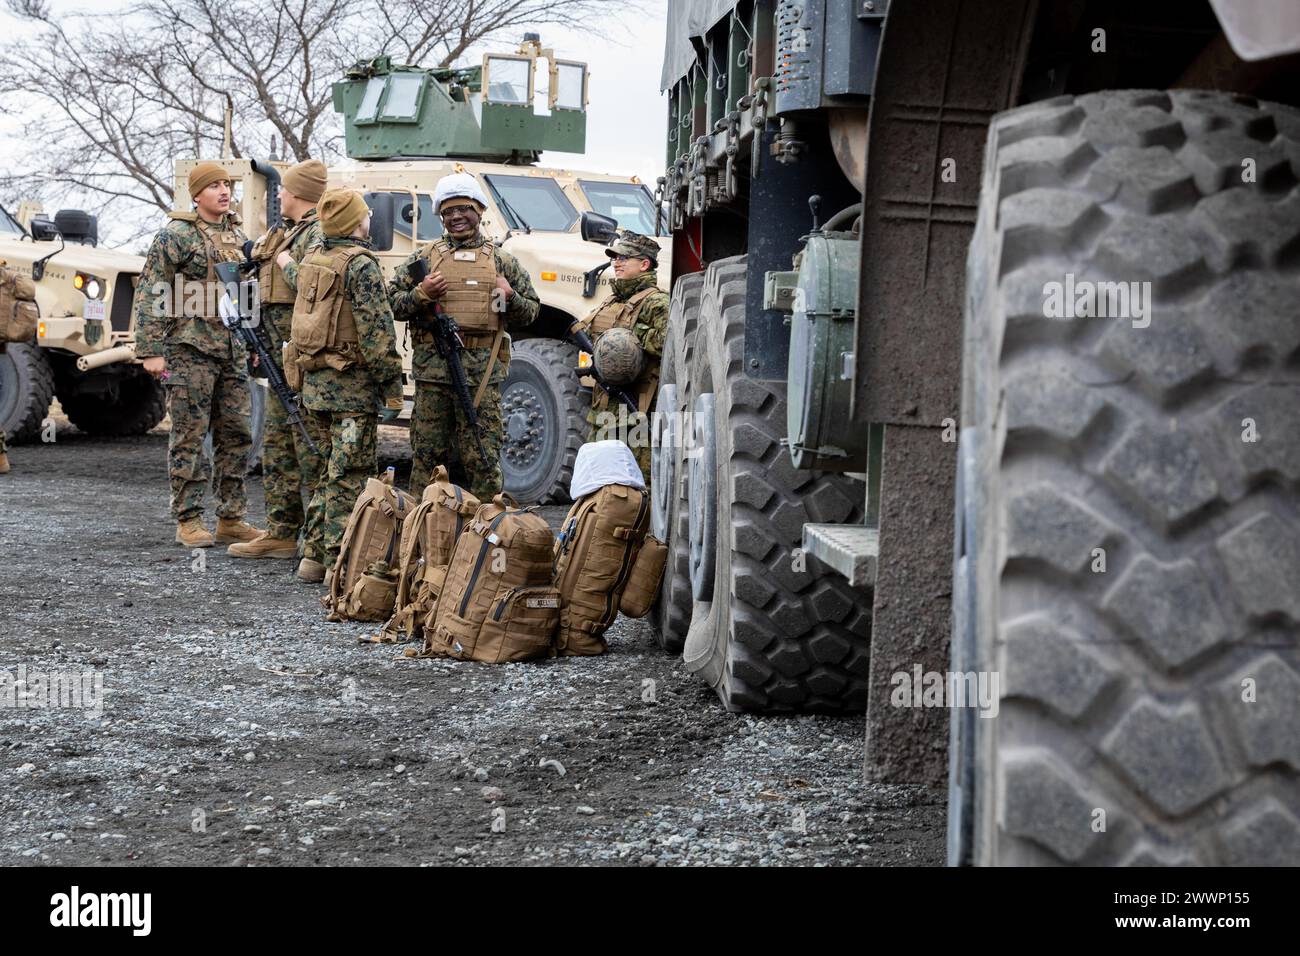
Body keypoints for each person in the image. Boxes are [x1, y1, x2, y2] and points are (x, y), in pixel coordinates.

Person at [386, 172, 540, 500]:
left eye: (464, 209)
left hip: (481, 379)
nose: (456, 217)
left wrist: (510, 297)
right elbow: (393, 303)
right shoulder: (423, 260)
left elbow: (530, 314)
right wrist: (421, 294)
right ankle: (421, 534)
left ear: (480, 211)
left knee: (482, 461)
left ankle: (485, 535)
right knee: (428, 459)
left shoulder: (502, 262)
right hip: (433, 379)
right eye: (448, 212)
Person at [134, 162, 263, 548]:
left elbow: (246, 293)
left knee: (236, 433)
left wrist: (255, 343)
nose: (224, 191)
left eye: (227, 184)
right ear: (196, 195)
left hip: (232, 349)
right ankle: (188, 518)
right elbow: (151, 292)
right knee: (190, 434)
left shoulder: (238, 236)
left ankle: (231, 517)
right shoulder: (176, 236)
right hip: (189, 350)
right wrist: (150, 351)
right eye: (214, 186)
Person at [280, 188, 402, 581]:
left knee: (329, 472)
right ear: (355, 222)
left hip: (314, 387)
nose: (370, 219)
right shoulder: (360, 265)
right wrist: (392, 388)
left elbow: (294, 280)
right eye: (365, 214)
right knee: (349, 477)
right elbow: (377, 333)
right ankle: (340, 564)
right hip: (350, 389)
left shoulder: (314, 259)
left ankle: (312, 558)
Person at [229, 159, 327, 562]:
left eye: (285, 189)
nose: (280, 195)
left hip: (304, 361)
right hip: (275, 356)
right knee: (277, 447)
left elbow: (315, 288)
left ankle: (320, 540)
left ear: (299, 193)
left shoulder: (318, 235)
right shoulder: (284, 232)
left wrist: (287, 264)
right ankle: (283, 530)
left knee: (311, 449)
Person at [574, 231, 669, 485]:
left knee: (636, 484)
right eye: (615, 257)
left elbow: (666, 343)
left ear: (645, 264)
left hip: (636, 411)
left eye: (624, 257)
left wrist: (632, 332)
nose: (616, 262)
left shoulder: (656, 302)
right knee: (598, 481)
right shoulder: (613, 300)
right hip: (604, 406)